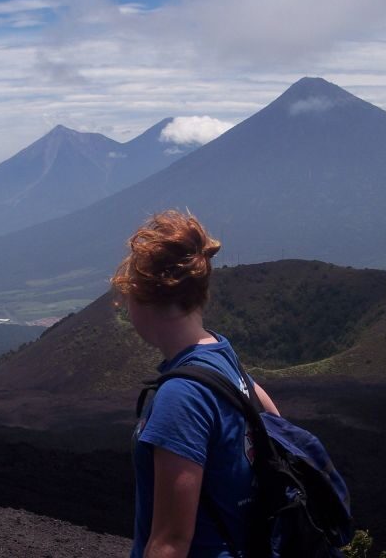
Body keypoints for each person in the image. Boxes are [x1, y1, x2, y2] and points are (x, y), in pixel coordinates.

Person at [111, 210, 280, 558]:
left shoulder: (181, 396)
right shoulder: (222, 357)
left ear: (145, 297)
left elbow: (171, 542)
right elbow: (277, 431)